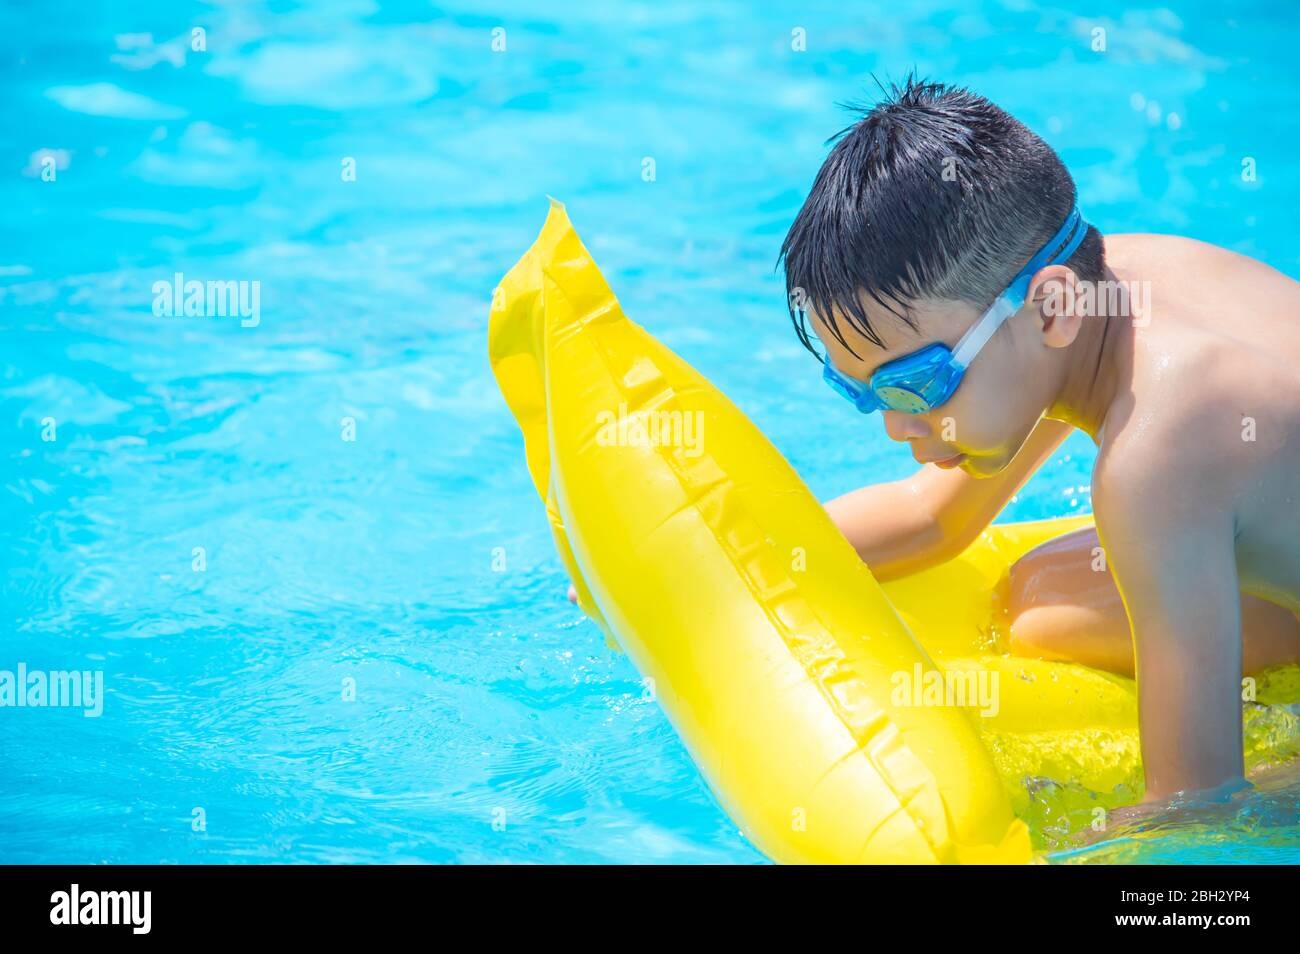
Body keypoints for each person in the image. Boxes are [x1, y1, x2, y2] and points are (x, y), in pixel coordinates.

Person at [777, 77, 1300, 803]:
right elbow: (932, 518)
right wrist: (725, 553)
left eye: (915, 384)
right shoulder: (1102, 287)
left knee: (1050, 617)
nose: (896, 425)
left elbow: (1198, 801)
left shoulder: (1157, 456)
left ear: (1052, 307)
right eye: (861, 392)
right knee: (1041, 599)